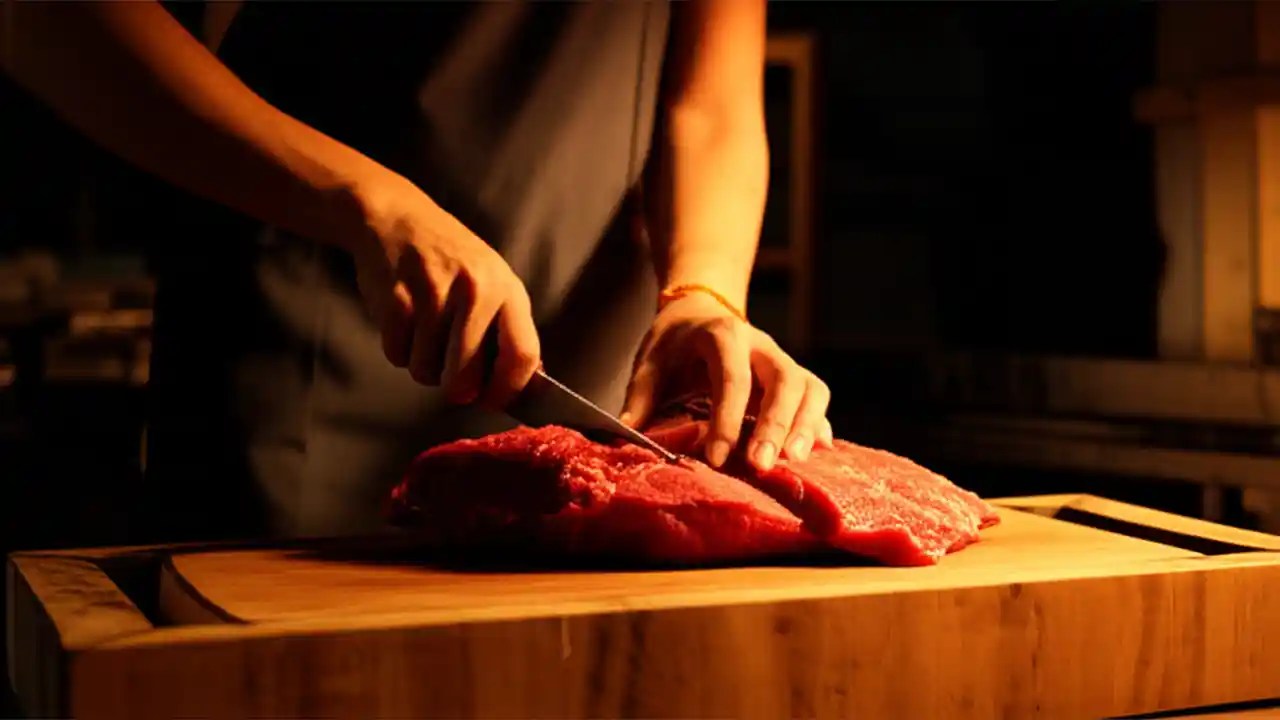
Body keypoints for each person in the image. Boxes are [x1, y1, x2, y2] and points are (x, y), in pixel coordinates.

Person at [0, 0, 833, 541]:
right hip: (314, 347)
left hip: (606, 383)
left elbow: (711, 101)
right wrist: (367, 205)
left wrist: (702, 290)